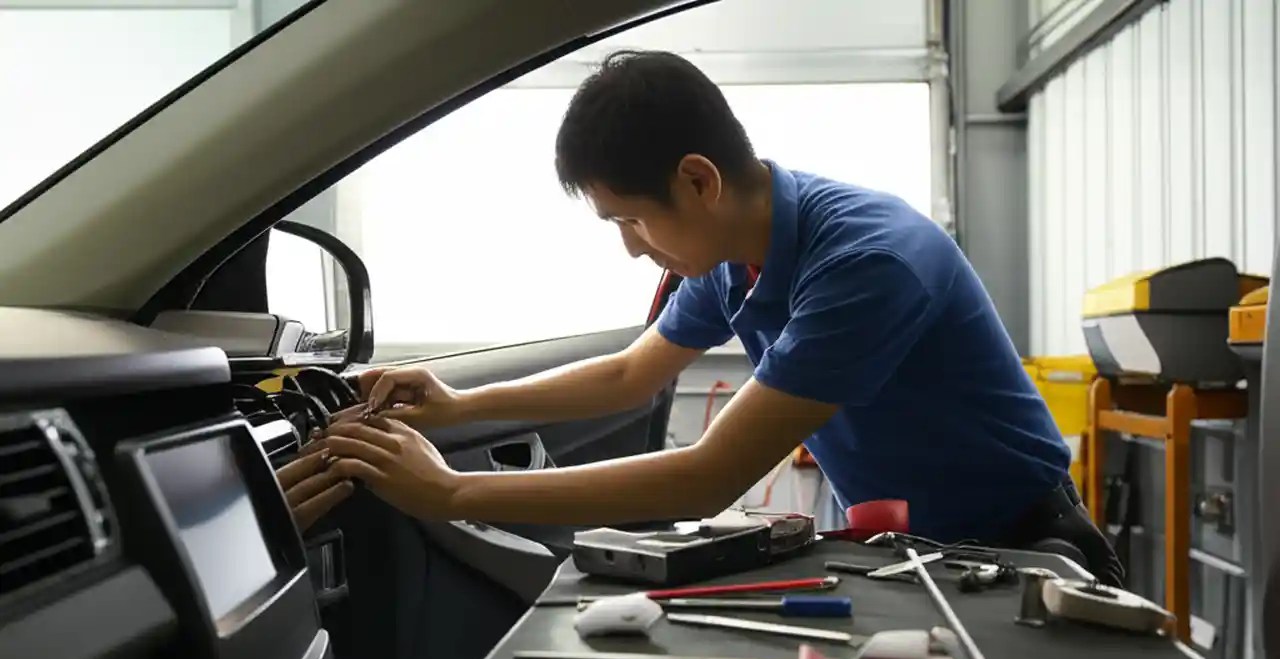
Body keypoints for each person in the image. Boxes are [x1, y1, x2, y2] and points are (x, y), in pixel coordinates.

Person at [285, 50, 1124, 586]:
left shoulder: (866, 262)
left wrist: (452, 490)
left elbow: (707, 475)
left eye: (630, 221)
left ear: (698, 180)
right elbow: (630, 373)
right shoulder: (733, 254)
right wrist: (462, 405)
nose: (631, 250)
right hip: (916, 549)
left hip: (1022, 548)